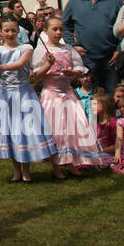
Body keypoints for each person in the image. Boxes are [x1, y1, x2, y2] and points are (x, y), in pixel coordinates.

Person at [0, 15, 59, 184]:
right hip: (6, 96)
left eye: (13, 30)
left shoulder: (26, 47)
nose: (10, 33)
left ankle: (26, 171)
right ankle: (16, 171)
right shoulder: (0, 49)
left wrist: (2, 67)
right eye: (6, 30)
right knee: (11, 133)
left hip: (23, 95)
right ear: (1, 32)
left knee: (24, 132)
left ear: (18, 31)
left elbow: (20, 64)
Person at [31, 15, 105, 174]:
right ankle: (56, 166)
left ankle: (72, 163)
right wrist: (48, 65)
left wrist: (71, 72)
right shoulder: (42, 50)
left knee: (73, 127)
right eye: (54, 29)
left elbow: (79, 71)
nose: (58, 33)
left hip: (68, 93)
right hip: (51, 94)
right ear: (45, 31)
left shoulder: (68, 49)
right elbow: (36, 75)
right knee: (56, 129)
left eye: (61, 30)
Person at [62, 0, 122, 93]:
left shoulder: (114, 0)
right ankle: (93, 113)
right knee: (92, 94)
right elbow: (65, 26)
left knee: (113, 93)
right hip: (87, 57)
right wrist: (73, 46)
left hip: (110, 57)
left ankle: (112, 113)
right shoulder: (74, 3)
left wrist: (119, 49)